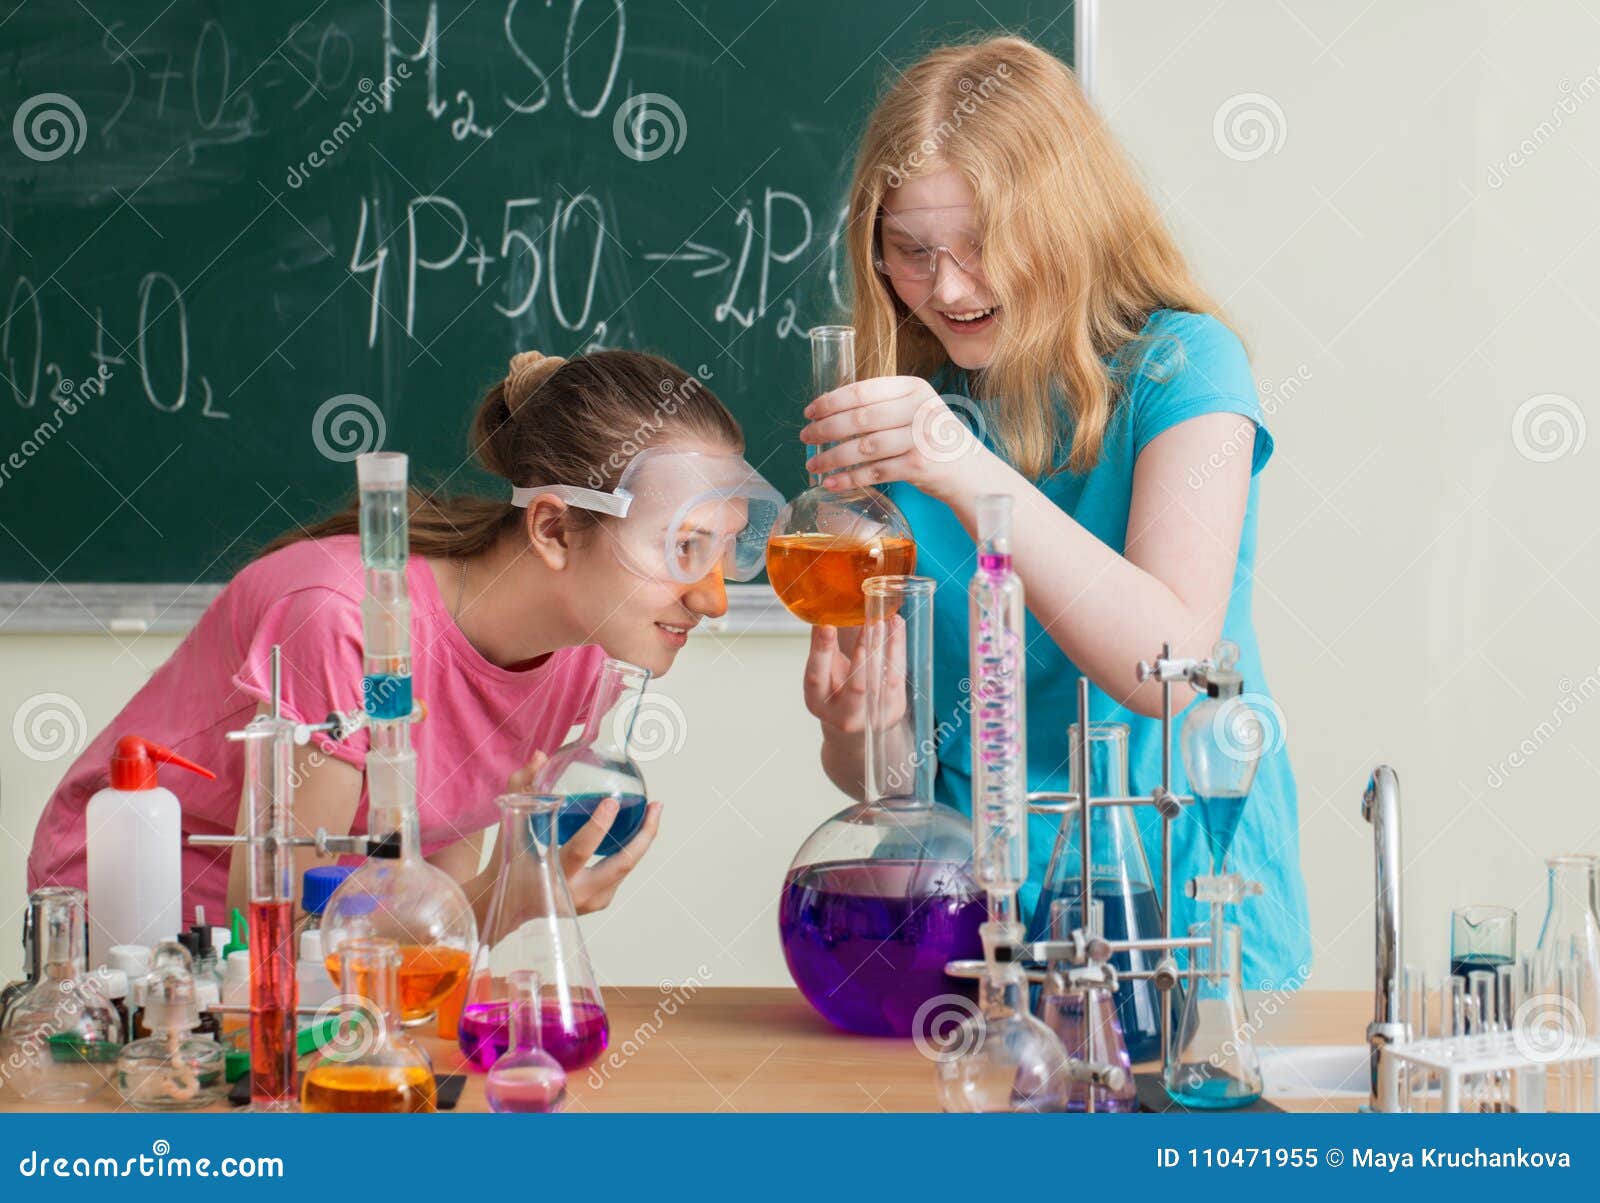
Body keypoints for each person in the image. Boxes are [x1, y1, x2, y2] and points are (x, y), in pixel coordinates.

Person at [799, 36, 1310, 984]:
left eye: (983, 245)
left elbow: (1171, 670)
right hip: (975, 927)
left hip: (1177, 918)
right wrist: (858, 732)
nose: (948, 286)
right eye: (912, 252)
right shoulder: (901, 407)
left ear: (1067, 218)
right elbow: (901, 776)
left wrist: (956, 463)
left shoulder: (1185, 370)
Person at [30, 349, 780, 939]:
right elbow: (279, 921)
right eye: (685, 547)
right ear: (552, 528)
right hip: (146, 932)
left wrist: (486, 907)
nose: (713, 597)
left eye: (730, 550)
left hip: (341, 964)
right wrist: (502, 905)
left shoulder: (582, 662)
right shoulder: (341, 619)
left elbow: (436, 899)